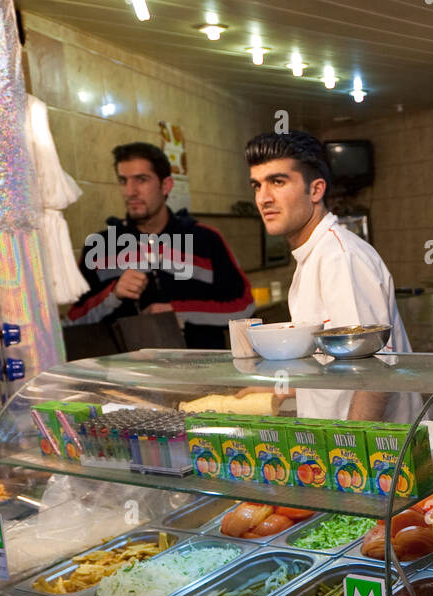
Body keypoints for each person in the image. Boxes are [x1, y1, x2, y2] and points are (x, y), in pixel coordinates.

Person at [245, 131, 411, 421]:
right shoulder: (312, 256)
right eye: (257, 185)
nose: (263, 198)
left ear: (316, 190)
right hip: (334, 441)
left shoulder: (339, 257)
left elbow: (375, 374)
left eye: (278, 182)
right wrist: (273, 389)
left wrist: (351, 448)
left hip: (368, 446)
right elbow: (334, 367)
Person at [67, 142, 254, 348]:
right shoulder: (99, 247)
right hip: (128, 368)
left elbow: (244, 307)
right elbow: (73, 320)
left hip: (199, 366)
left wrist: (177, 311)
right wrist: (113, 295)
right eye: (123, 181)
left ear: (166, 186)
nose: (130, 191)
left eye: (141, 179)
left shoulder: (206, 240)